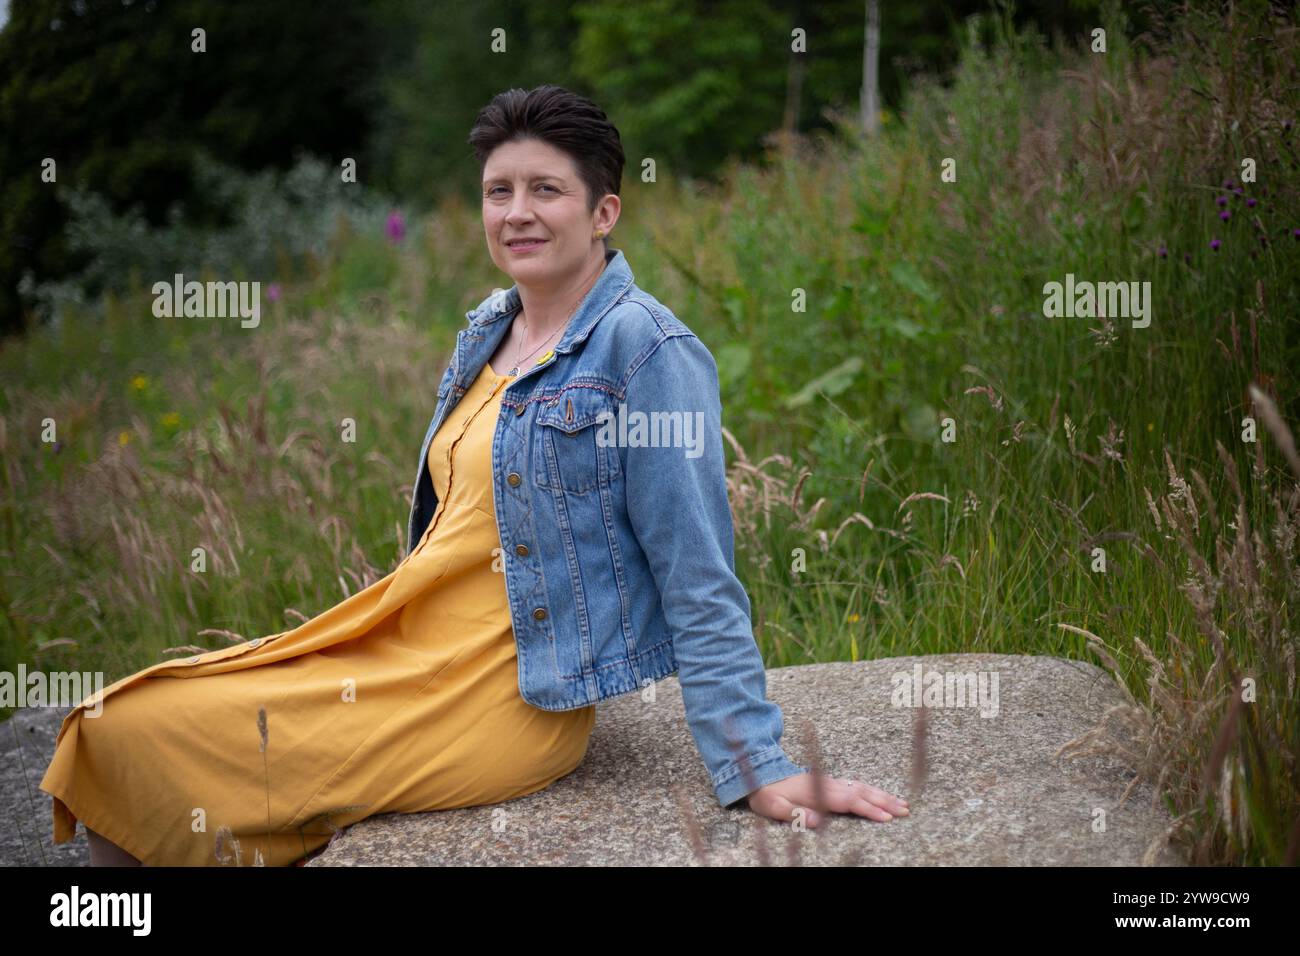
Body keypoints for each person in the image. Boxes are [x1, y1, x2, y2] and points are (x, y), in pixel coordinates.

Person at [40, 84, 907, 867]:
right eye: (500, 191)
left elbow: (698, 570)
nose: (518, 213)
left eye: (546, 190)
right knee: (124, 724)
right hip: (405, 644)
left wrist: (758, 767)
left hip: (501, 693)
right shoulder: (490, 327)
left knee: (151, 744)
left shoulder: (648, 352)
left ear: (604, 212)